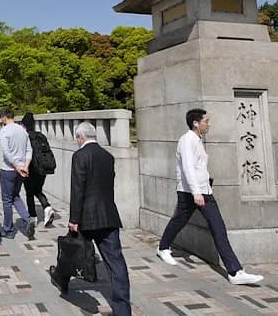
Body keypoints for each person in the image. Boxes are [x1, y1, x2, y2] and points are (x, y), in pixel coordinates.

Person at [156, 109, 264, 285]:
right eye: (206, 121)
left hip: (204, 191)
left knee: (218, 227)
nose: (209, 124)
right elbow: (188, 168)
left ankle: (235, 272)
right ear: (195, 123)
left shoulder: (198, 140)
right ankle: (163, 247)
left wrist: (203, 189)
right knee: (179, 221)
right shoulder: (187, 140)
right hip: (190, 192)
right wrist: (196, 192)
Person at [50, 122, 131, 316]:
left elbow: (78, 188)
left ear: (81, 137)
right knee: (116, 263)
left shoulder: (80, 156)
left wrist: (73, 219)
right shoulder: (108, 156)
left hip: (85, 218)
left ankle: (61, 278)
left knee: (70, 251)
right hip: (108, 216)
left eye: (77, 139)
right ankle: (123, 310)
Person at [0, 108, 34, 240]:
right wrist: (25, 166)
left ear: (4, 117)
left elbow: (6, 153)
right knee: (15, 196)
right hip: (21, 170)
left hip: (9, 169)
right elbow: (29, 150)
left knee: (7, 200)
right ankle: (27, 219)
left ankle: (8, 229)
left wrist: (17, 167)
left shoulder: (4, 131)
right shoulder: (23, 130)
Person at [20, 112, 56, 227]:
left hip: (30, 168)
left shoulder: (24, 136)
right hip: (42, 169)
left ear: (23, 125)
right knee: (38, 190)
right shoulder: (41, 136)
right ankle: (47, 207)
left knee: (29, 193)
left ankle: (33, 217)